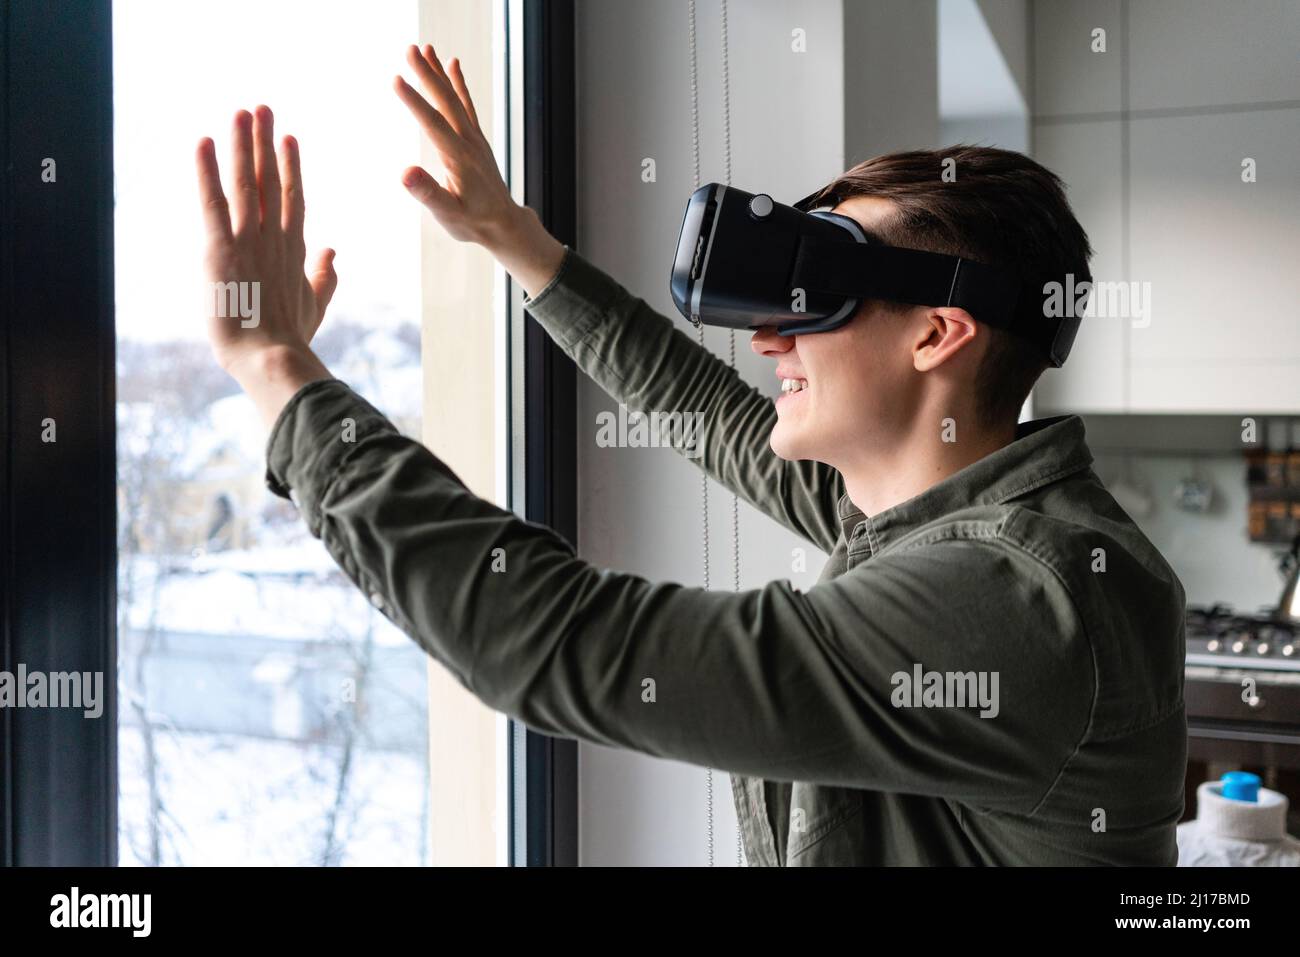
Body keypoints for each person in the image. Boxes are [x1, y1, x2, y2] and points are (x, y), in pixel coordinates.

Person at [194, 43, 1187, 865]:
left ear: (936, 334)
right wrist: (514, 240)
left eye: (815, 297)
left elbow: (564, 645)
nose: (767, 340)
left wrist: (281, 372)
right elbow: (701, 407)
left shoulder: (1018, 600)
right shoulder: (940, 513)